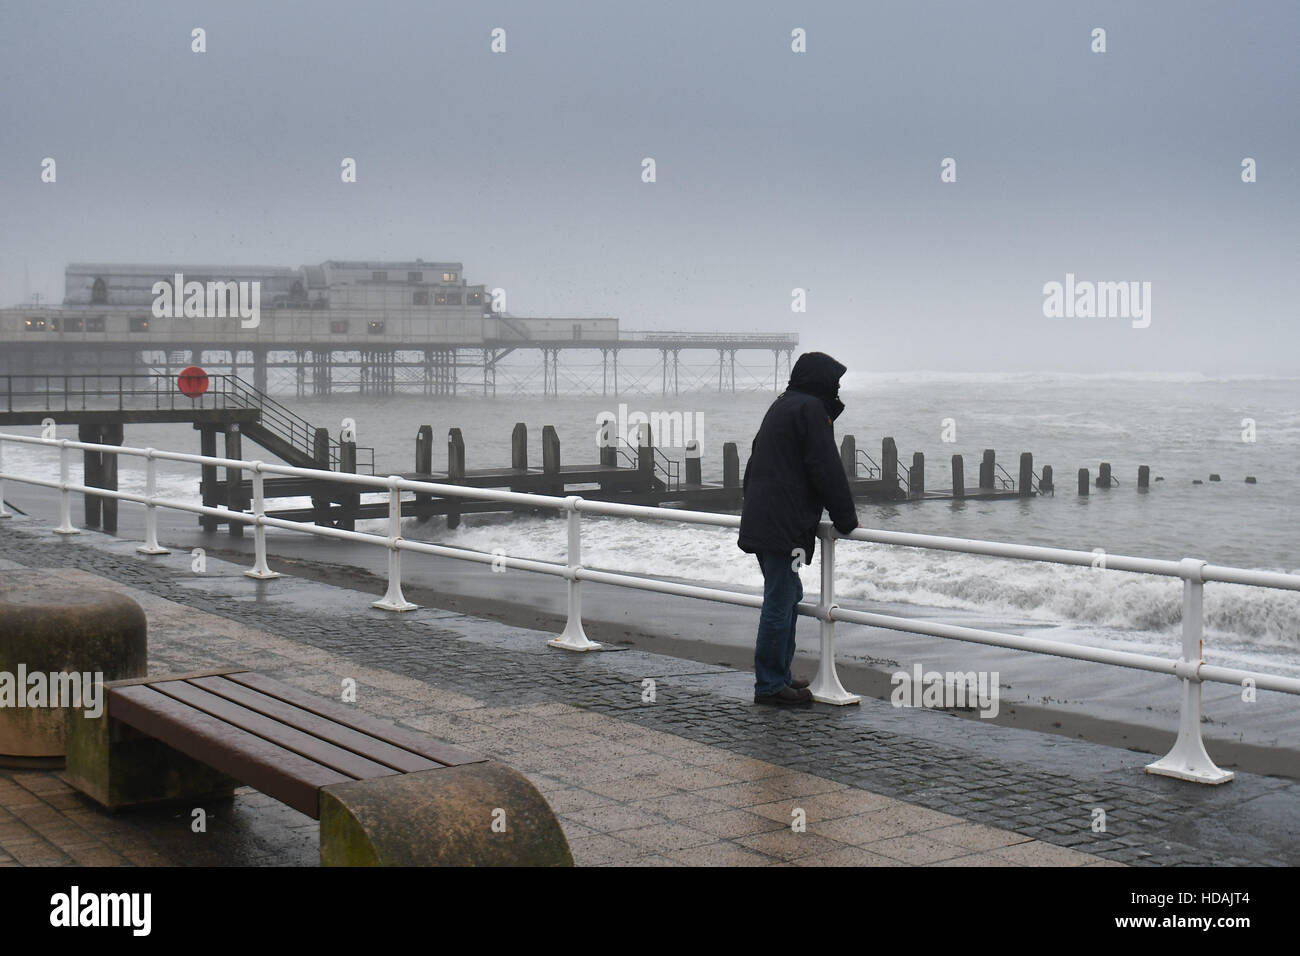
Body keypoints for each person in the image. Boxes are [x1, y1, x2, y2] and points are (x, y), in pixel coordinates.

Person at [738, 351, 860, 706]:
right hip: (783, 522)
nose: (838, 387)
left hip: (766, 516)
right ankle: (771, 684)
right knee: (780, 597)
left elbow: (756, 457)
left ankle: (780, 673)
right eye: (834, 381)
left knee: (788, 593)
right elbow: (826, 468)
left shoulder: (784, 405)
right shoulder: (808, 410)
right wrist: (846, 520)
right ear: (820, 380)